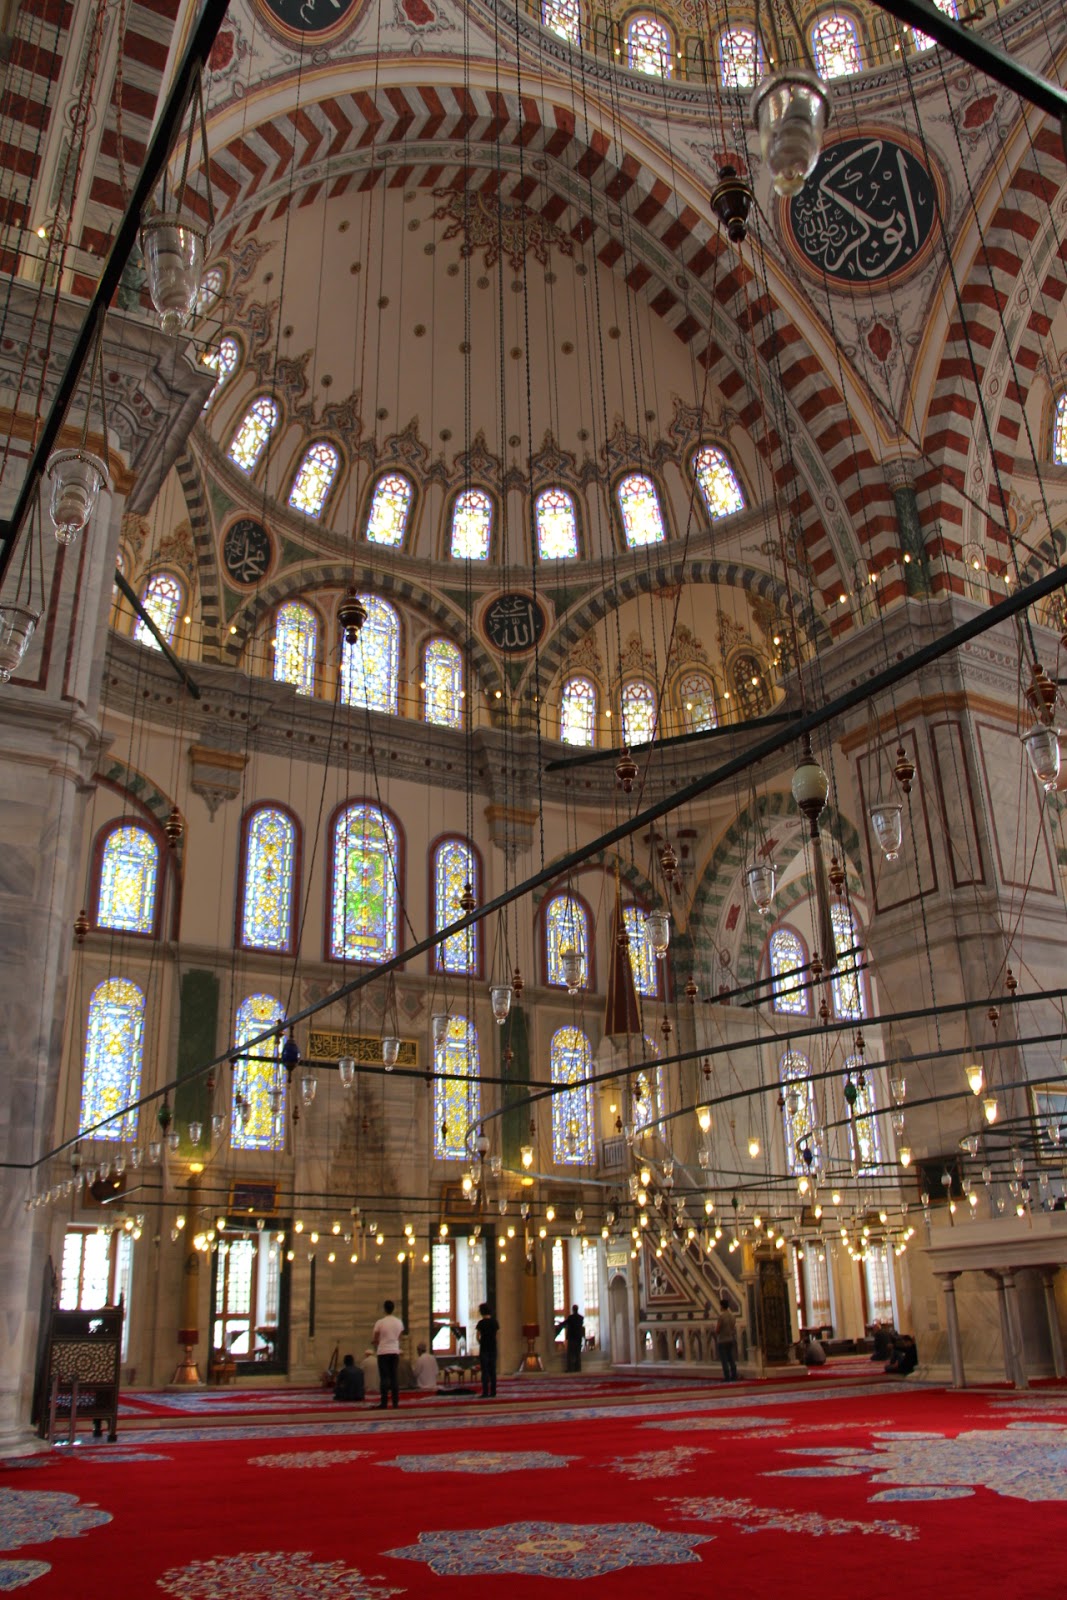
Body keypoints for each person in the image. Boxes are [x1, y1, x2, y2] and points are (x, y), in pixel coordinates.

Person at [372, 1298, 405, 1410]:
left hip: (383, 1352)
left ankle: (384, 1403)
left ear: (384, 1309)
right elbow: (400, 1337)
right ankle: (395, 1403)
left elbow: (376, 1338)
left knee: (384, 1378)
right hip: (394, 1351)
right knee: (394, 1377)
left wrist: (376, 1342)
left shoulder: (380, 1322)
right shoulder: (399, 1322)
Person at [475, 1301, 499, 1398]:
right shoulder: (494, 1322)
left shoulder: (481, 1323)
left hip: (484, 1349)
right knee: (492, 1370)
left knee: (485, 1371)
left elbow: (477, 1337)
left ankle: (485, 1392)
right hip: (493, 1348)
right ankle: (493, 1392)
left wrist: (481, 1343)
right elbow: (496, 1336)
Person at [715, 1292, 738, 1382]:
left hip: (722, 1340)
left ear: (722, 1306)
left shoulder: (721, 1317)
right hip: (730, 1339)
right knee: (731, 1359)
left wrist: (717, 1331)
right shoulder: (732, 1316)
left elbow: (717, 1330)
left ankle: (727, 1377)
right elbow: (732, 1327)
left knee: (724, 1360)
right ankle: (734, 1375)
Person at [556, 1304, 585, 1372]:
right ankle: (578, 1368)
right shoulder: (581, 1318)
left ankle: (570, 1369)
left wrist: (558, 1323)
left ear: (573, 1310)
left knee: (570, 1354)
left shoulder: (571, 1318)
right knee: (577, 1354)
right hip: (578, 1338)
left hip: (572, 1338)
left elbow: (564, 1323)